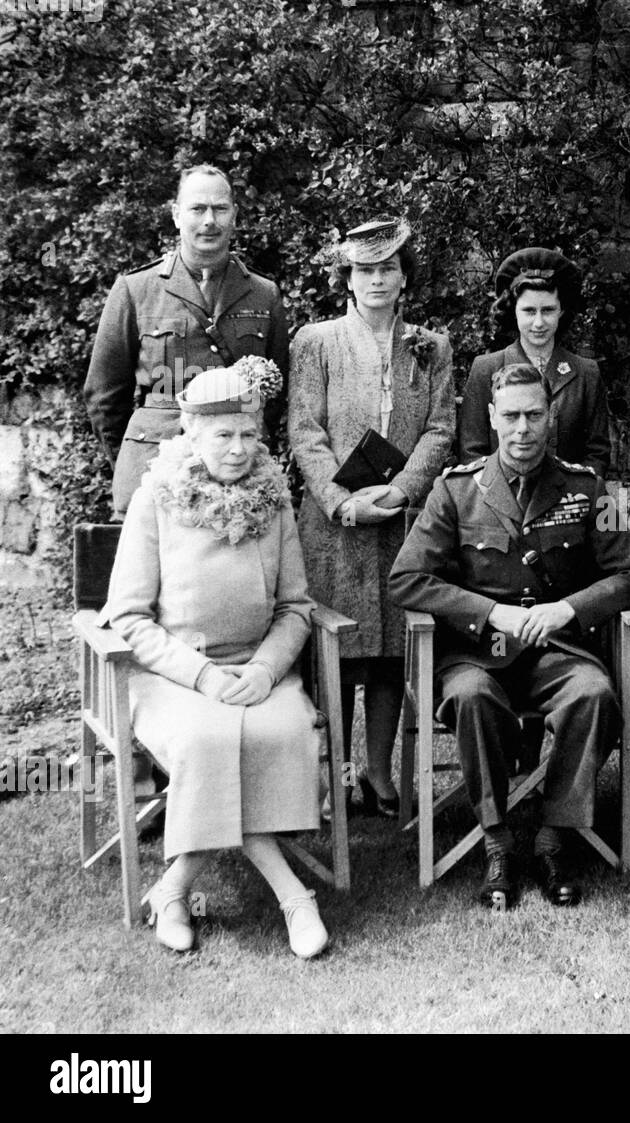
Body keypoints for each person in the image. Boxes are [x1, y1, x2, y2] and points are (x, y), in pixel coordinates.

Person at [389, 363, 630, 909]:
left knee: (593, 694)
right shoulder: (456, 491)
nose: (522, 429)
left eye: (534, 415)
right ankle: (497, 840)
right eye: (510, 416)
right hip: (477, 656)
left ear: (550, 415)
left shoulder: (585, 488)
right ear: (491, 417)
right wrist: (490, 613)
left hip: (556, 652)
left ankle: (554, 836)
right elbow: (406, 579)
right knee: (471, 698)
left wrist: (568, 609)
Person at [103, 366, 329, 959]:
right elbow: (128, 616)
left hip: (257, 671)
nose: (237, 449)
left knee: (283, 731)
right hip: (173, 676)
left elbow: (295, 607)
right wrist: (202, 676)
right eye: (222, 435)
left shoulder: (274, 499)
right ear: (191, 434)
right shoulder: (155, 497)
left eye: (248, 434)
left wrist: (265, 670)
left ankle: (172, 889)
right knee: (208, 741)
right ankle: (293, 894)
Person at [289, 218, 455, 817]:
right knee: (335, 650)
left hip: (400, 523)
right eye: (365, 270)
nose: (378, 279)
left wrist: (402, 491)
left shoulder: (431, 346)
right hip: (333, 527)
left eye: (389, 268)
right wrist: (342, 501)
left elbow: (440, 429)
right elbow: (304, 431)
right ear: (348, 279)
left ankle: (380, 774)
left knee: (389, 651)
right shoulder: (316, 341)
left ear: (405, 276)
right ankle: (332, 775)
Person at [84, 165, 290, 518]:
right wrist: (132, 458)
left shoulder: (263, 293)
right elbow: (104, 396)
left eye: (220, 208)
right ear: (177, 215)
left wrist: (242, 439)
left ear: (234, 215)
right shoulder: (136, 290)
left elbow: (275, 392)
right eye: (197, 209)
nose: (209, 220)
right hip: (153, 470)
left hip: (238, 475)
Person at [457, 247, 610, 474]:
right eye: (529, 311)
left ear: (561, 311)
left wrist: (577, 490)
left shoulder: (586, 373)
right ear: (514, 311)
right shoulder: (486, 368)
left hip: (569, 494)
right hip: (498, 493)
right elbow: (471, 451)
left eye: (547, 310)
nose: (538, 323)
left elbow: (597, 454)